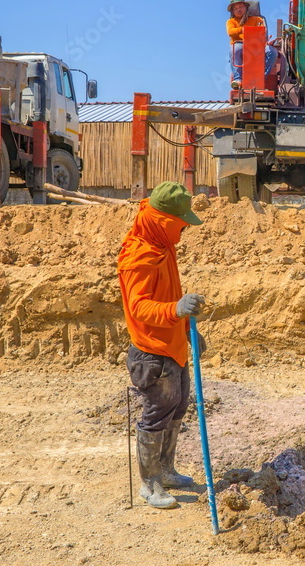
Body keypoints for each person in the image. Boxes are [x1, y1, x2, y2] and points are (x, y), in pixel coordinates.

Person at [118, 181, 207, 510]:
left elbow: (169, 293)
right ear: (164, 222)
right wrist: (176, 310)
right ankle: (150, 483)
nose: (185, 230)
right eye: (181, 224)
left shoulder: (162, 245)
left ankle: (166, 470)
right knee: (157, 414)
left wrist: (186, 328)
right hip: (152, 353)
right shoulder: (139, 257)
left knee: (177, 406)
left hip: (173, 345)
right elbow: (139, 308)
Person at [225, 0, 277, 88]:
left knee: (272, 51)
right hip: (240, 43)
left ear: (246, 7)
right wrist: (244, 29)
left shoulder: (258, 19)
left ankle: (261, 77)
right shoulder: (231, 22)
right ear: (232, 11)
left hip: (257, 45)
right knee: (235, 49)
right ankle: (238, 79)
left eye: (241, 6)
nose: (238, 9)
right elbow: (231, 32)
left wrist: (265, 40)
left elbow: (262, 31)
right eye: (235, 8)